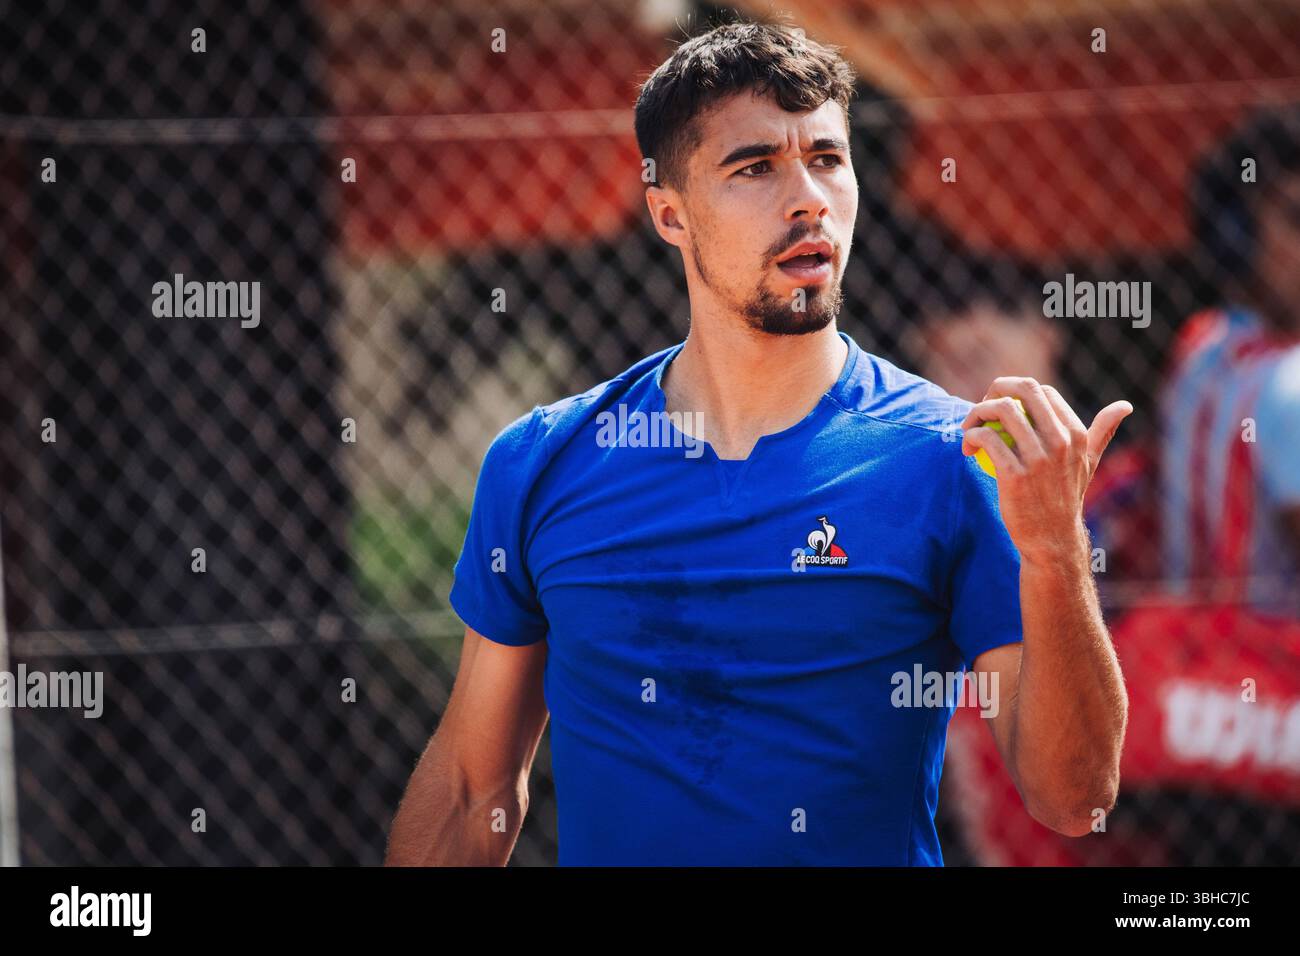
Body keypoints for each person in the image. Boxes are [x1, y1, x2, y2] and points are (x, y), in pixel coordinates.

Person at [386, 20, 1130, 866]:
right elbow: (468, 792)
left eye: (826, 158)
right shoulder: (543, 462)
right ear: (670, 214)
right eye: (756, 167)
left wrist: (1055, 552)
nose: (808, 196)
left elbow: (1074, 799)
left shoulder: (950, 458)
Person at [1162, 109, 1300, 615]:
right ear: (1239, 238)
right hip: (1278, 675)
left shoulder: (1203, 342)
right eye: (1296, 221)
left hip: (1187, 671)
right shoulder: (1291, 380)